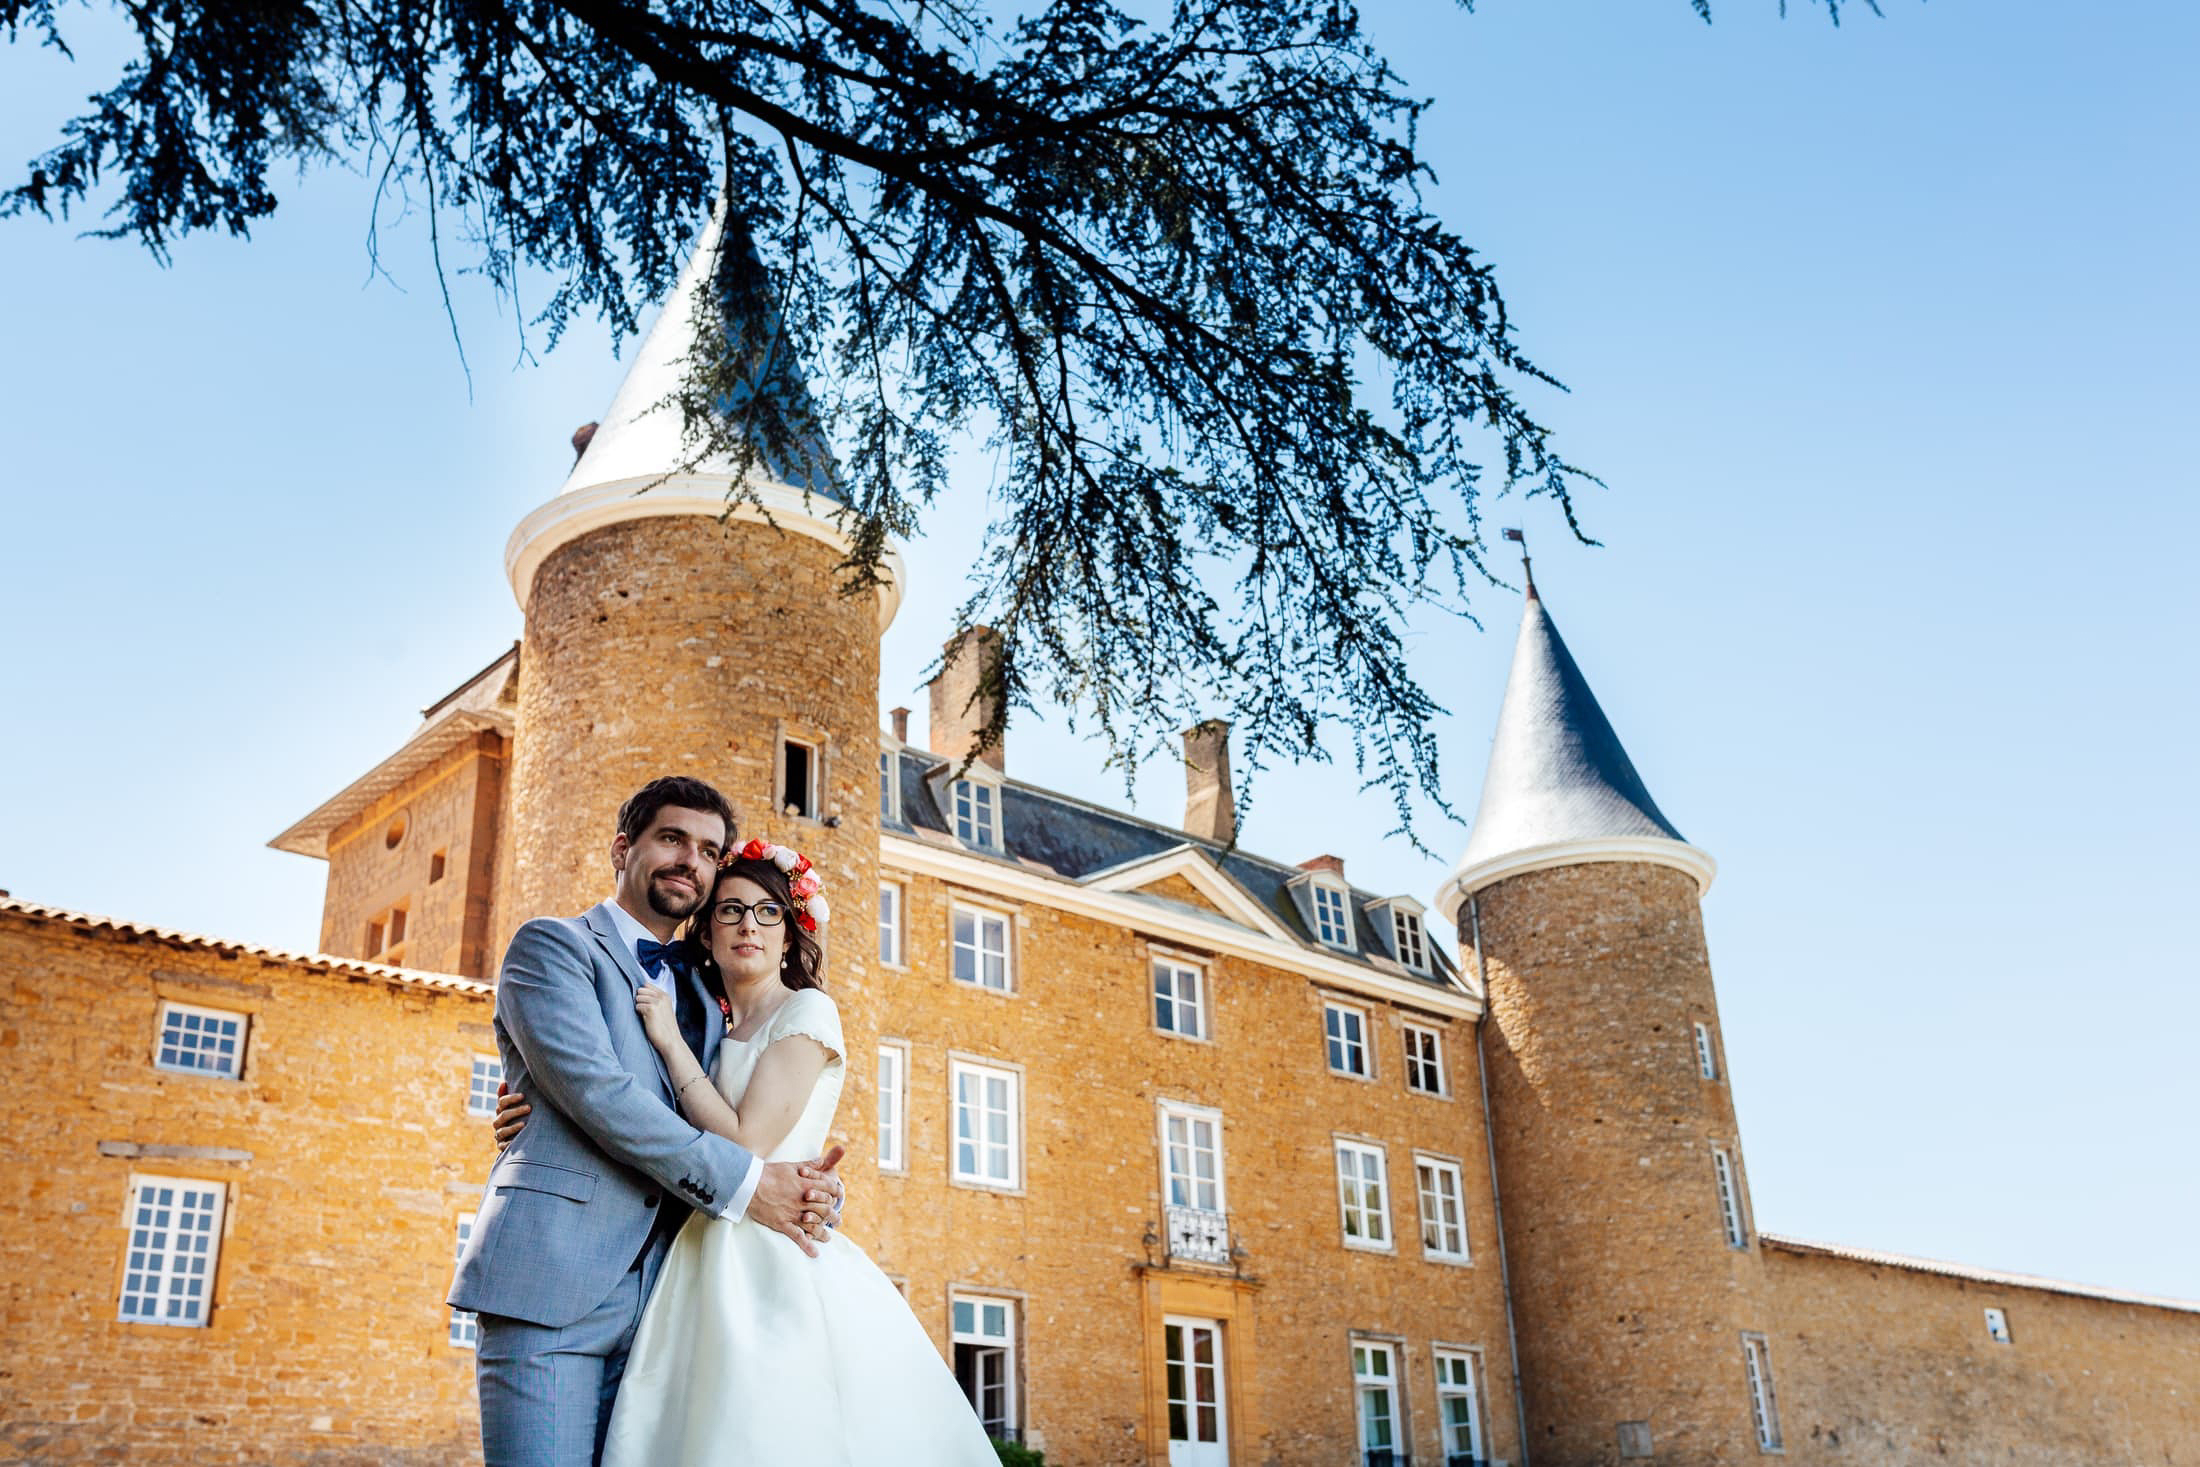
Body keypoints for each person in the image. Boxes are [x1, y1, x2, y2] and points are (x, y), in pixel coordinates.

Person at [497, 838, 1001, 1465]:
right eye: (730, 910)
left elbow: (745, 1144)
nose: (748, 926)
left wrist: (668, 1043)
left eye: (768, 913)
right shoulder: (706, 1018)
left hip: (765, 1260)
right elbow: (622, 1099)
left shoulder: (807, 1010)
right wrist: (535, 1109)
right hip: (688, 1254)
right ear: (704, 933)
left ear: (790, 936)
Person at [449, 776, 845, 1467]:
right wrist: (752, 1183)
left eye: (707, 849)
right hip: (553, 1291)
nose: (689, 859)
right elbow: (599, 1094)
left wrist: (808, 1182)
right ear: (623, 847)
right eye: (671, 838)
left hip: (674, 1307)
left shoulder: (709, 981)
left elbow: (748, 1108)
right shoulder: (551, 948)